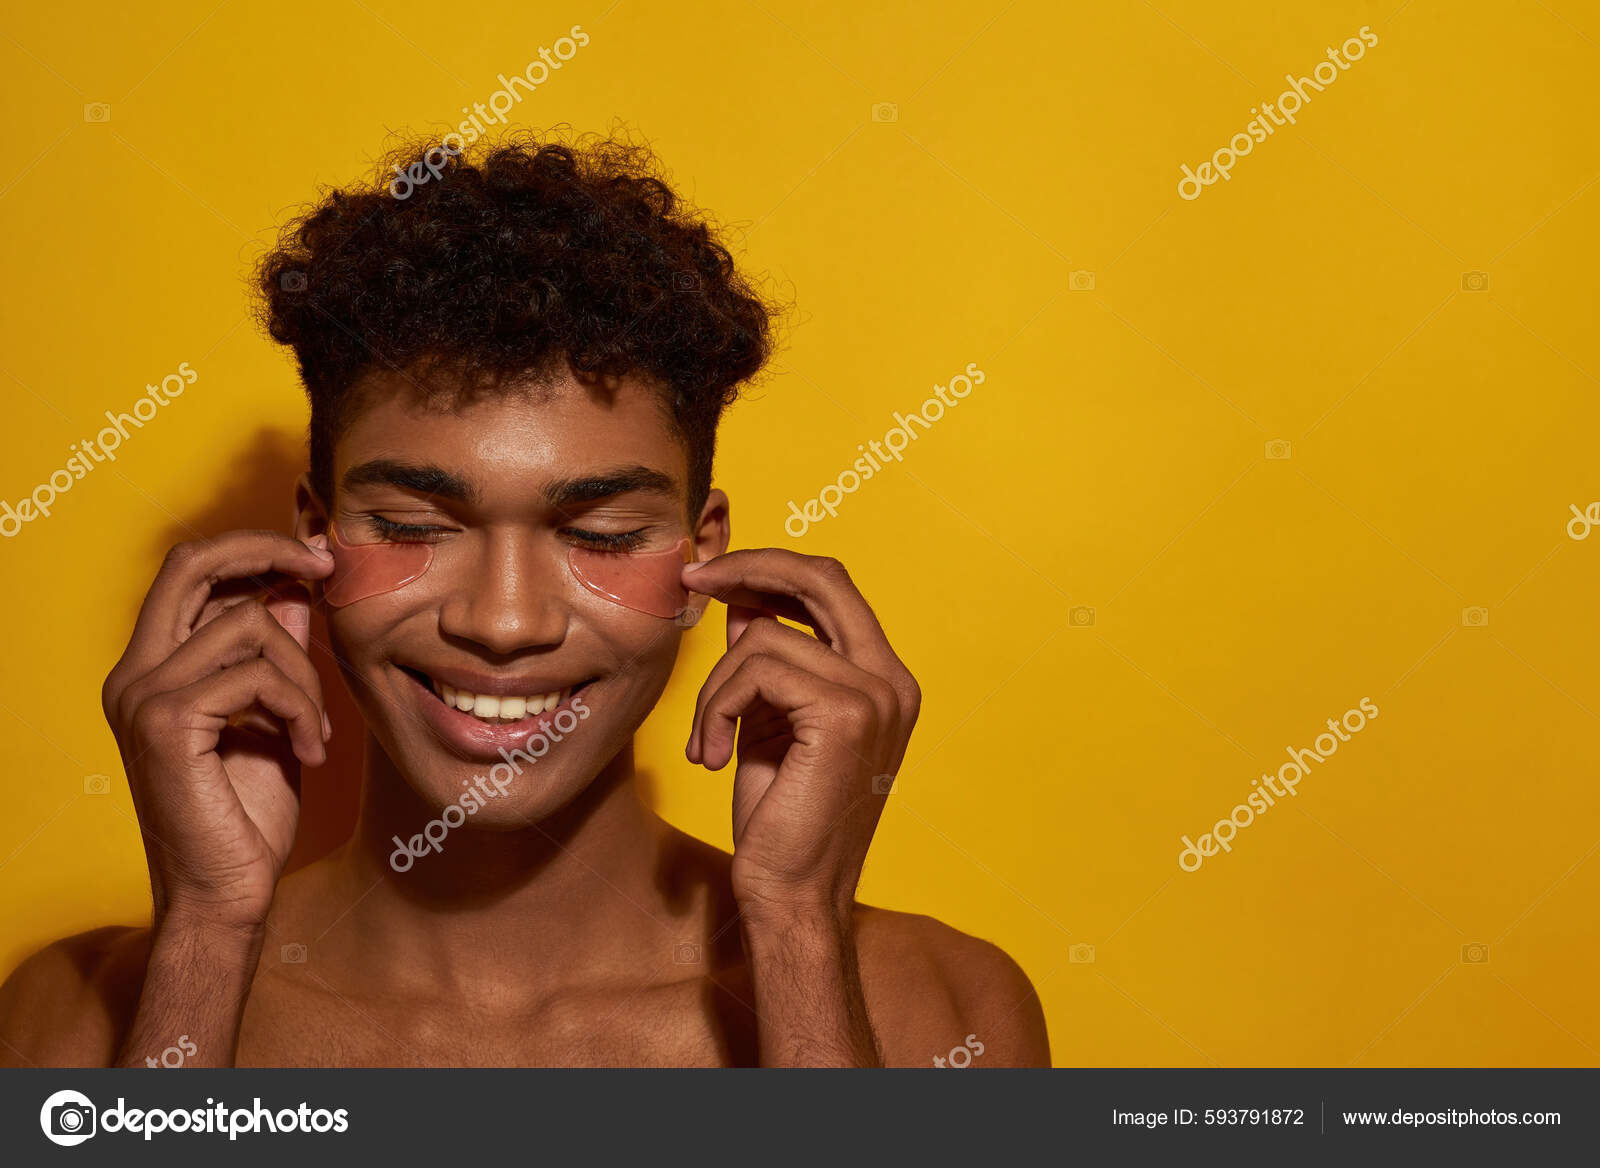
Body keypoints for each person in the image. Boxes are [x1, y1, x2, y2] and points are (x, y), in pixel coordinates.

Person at [0, 132, 1049, 1068]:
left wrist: (795, 933)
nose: (504, 623)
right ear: (315, 541)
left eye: (600, 535)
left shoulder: (933, 1012)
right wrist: (207, 932)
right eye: (412, 524)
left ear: (704, 556)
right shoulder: (77, 1020)